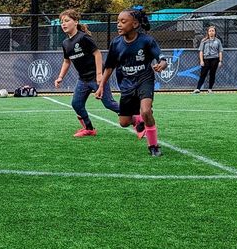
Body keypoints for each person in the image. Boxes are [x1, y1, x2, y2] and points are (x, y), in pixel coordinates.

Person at [96, 8, 167, 158]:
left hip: (144, 80)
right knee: (123, 122)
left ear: (134, 24)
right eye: (117, 22)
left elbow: (161, 57)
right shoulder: (116, 43)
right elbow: (109, 67)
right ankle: (138, 120)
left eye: (123, 21)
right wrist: (101, 86)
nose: (119, 25)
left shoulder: (146, 41)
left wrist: (162, 63)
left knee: (146, 110)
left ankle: (153, 146)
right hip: (126, 84)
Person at [53, 8, 120, 137]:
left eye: (67, 21)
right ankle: (89, 129)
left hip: (96, 77)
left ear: (76, 22)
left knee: (108, 103)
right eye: (62, 22)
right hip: (83, 79)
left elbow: (97, 53)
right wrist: (60, 77)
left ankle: (137, 119)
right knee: (76, 104)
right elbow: (67, 61)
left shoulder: (83, 37)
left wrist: (99, 75)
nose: (64, 24)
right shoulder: (65, 43)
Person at [193, 25, 223, 94]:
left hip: (215, 59)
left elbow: (220, 51)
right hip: (206, 59)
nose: (211, 32)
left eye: (213, 31)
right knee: (203, 74)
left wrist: (220, 61)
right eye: (210, 31)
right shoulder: (204, 41)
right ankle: (198, 88)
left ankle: (210, 89)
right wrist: (201, 60)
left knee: (212, 74)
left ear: (215, 32)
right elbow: (201, 51)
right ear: (208, 32)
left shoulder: (218, 41)